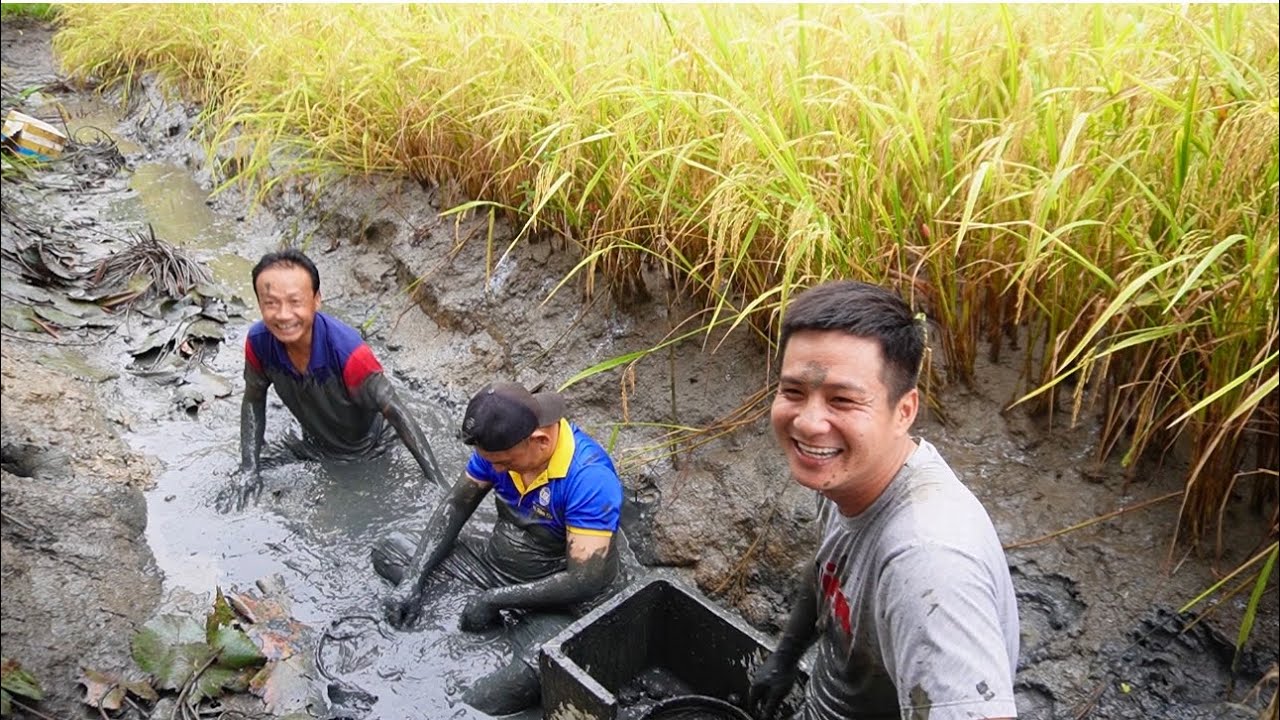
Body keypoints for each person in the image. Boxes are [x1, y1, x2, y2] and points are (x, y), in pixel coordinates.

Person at [748, 281, 1019, 720]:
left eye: (843, 400)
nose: (809, 423)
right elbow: (829, 570)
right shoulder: (847, 474)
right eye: (793, 391)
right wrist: (786, 656)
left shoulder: (928, 564)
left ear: (904, 411)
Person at [375, 380, 625, 716]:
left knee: (537, 669)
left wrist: (495, 600)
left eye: (504, 463)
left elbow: (585, 579)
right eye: (489, 461)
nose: (494, 470)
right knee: (390, 550)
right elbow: (456, 506)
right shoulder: (499, 449)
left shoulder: (590, 478)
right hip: (490, 567)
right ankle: (479, 613)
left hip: (554, 599)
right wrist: (413, 580)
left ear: (540, 441)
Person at [225, 249, 445, 510]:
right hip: (314, 444)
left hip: (371, 448)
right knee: (235, 482)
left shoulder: (349, 353)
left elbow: (395, 411)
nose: (283, 315)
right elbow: (253, 399)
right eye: (271, 303)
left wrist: (437, 483)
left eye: (295, 302)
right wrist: (249, 468)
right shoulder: (259, 342)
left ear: (316, 300)